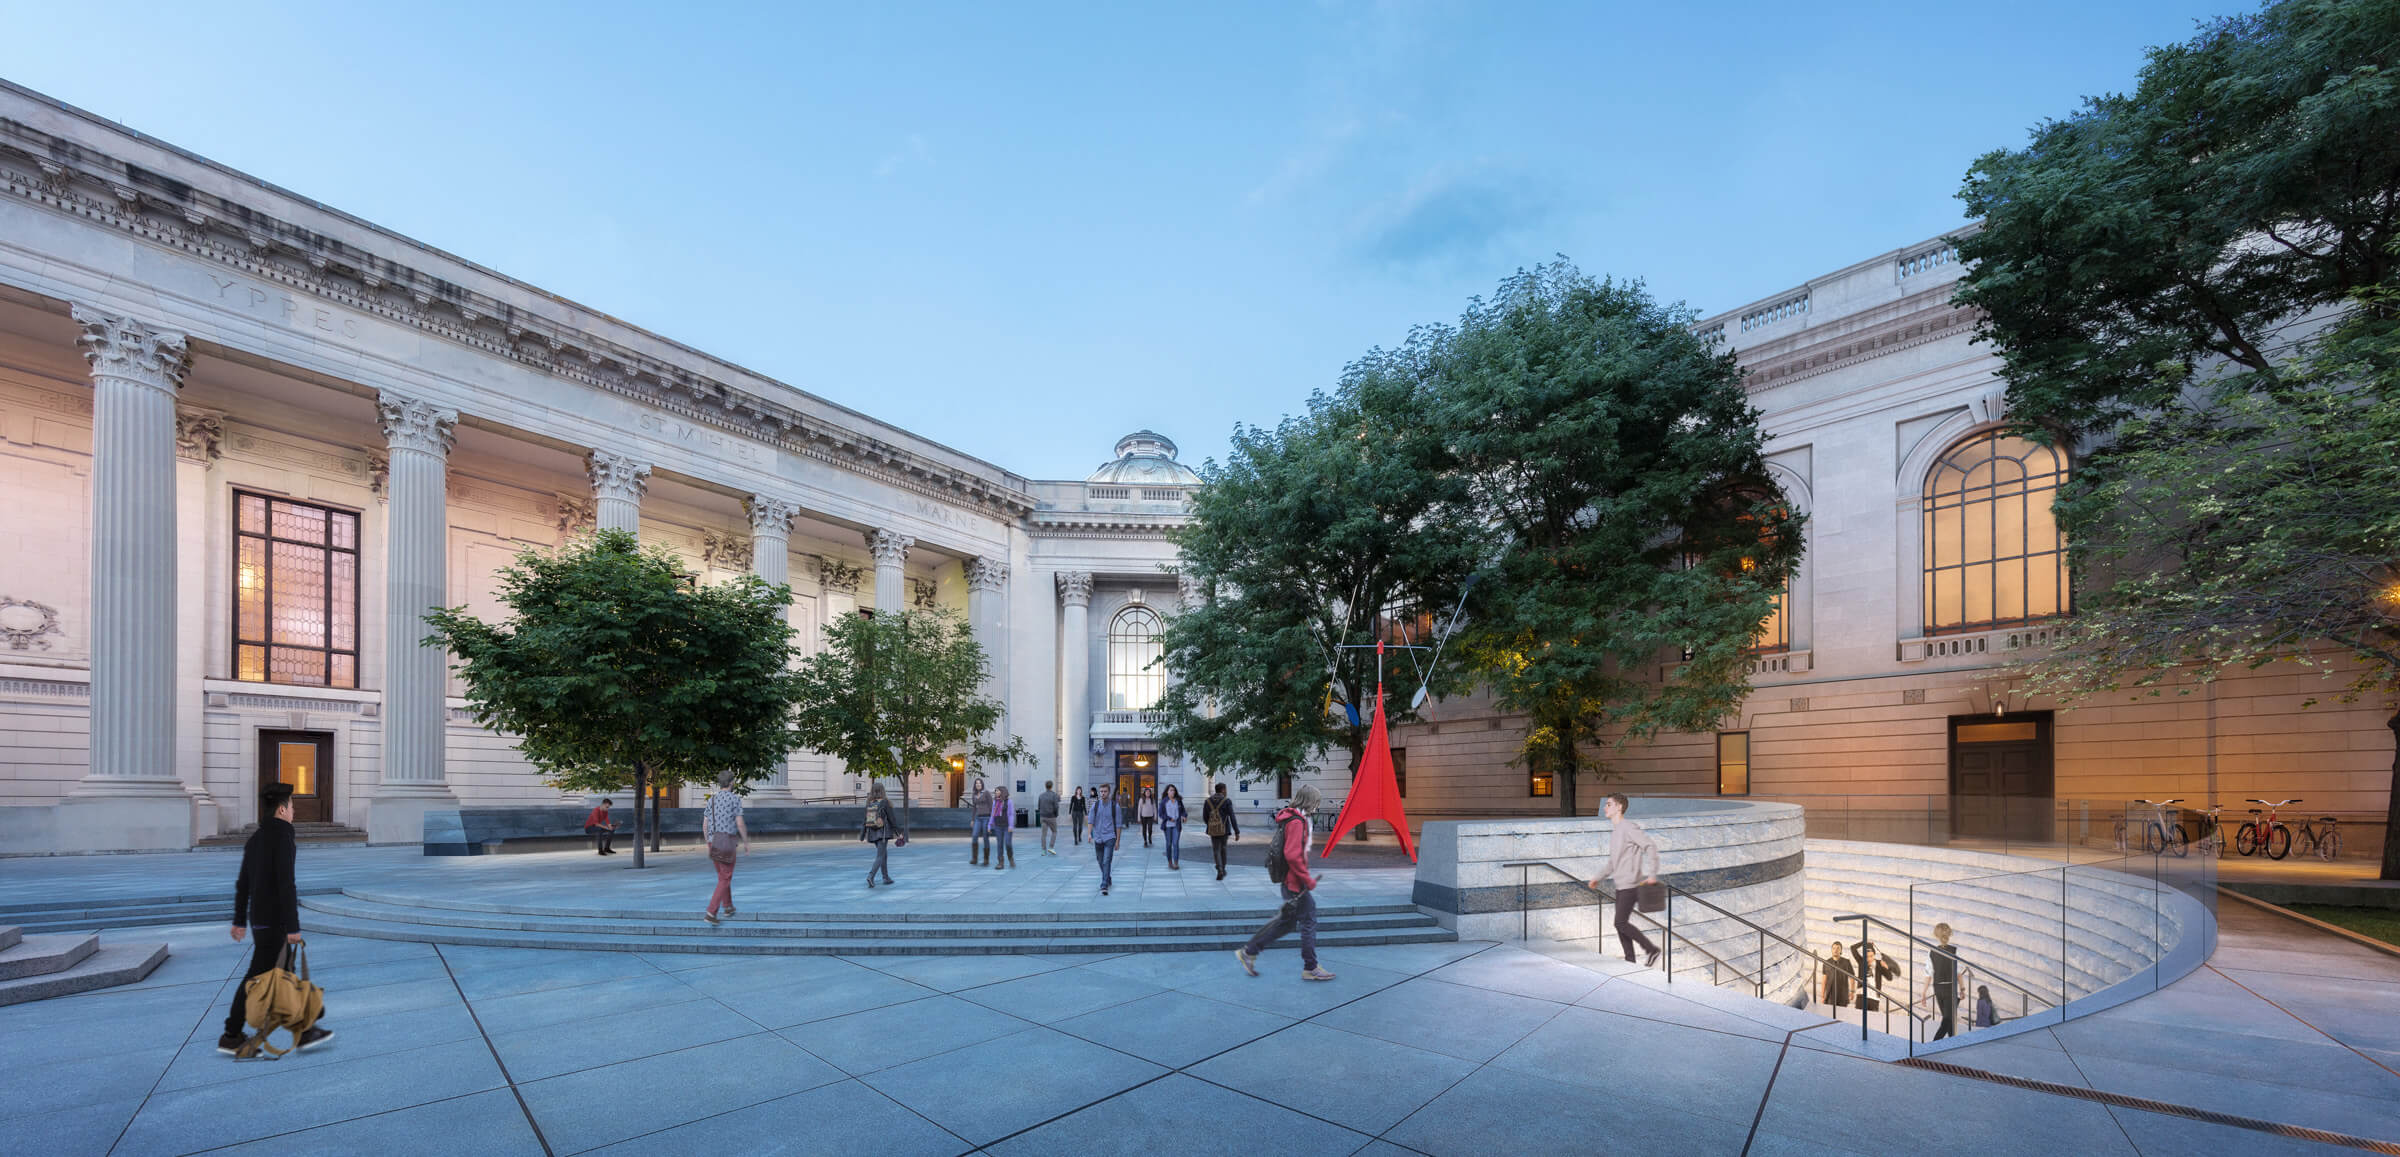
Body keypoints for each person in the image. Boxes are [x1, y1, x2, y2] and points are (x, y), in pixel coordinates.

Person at [221, 783, 332, 1056]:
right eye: (292, 807)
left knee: (285, 974)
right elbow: (286, 885)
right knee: (260, 976)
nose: (294, 812)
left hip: (259, 919)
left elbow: (243, 884)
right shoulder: (282, 838)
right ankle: (231, 1034)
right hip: (275, 923)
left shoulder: (256, 839)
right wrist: (292, 926)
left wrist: (238, 920)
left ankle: (304, 1030)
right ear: (282, 809)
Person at [1234, 784, 1335, 981]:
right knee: (1309, 919)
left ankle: (1249, 951)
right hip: (1295, 882)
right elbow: (1292, 855)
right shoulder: (1297, 822)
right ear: (1309, 801)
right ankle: (1311, 967)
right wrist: (1307, 880)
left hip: (1290, 881)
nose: (1317, 806)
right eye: (1316, 802)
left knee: (1286, 923)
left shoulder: (1291, 818)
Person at [1585, 792, 1661, 967]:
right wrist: (1597, 878)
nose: (1605, 807)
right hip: (1621, 885)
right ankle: (1630, 960)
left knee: (1619, 922)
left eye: (1609, 804)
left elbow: (1650, 846)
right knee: (1621, 924)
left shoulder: (1628, 827)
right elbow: (1613, 863)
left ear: (1619, 807)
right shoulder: (1616, 831)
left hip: (1631, 884)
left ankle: (1651, 949)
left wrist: (1652, 874)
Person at [701, 770, 750, 926]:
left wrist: (708, 842)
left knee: (722, 875)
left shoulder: (712, 800)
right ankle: (711, 912)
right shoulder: (734, 799)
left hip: (713, 840)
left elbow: (704, 824)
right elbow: (740, 823)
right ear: (731, 782)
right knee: (725, 877)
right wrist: (746, 842)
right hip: (727, 841)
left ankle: (727, 906)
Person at [1925, 922, 1962, 1040]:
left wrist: (1924, 992)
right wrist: (1963, 989)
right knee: (1947, 1020)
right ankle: (1934, 1044)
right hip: (1950, 987)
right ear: (1949, 934)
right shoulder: (1954, 951)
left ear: (1936, 935)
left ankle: (1952, 1042)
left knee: (1948, 1019)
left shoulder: (1931, 952)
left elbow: (1928, 973)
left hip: (1938, 988)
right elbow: (1958, 972)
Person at [862, 781, 900, 888]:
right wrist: (899, 833)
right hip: (882, 833)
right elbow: (892, 819)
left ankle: (886, 877)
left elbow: (864, 820)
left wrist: (862, 834)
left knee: (883, 854)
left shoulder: (869, 803)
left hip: (872, 833)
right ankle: (871, 876)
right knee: (880, 856)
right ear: (882, 790)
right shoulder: (884, 802)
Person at [1203, 781, 1242, 880]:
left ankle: (1219, 868)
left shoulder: (1208, 801)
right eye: (1226, 790)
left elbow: (1204, 817)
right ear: (1223, 790)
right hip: (1224, 829)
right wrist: (1237, 831)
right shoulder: (1227, 801)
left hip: (1213, 829)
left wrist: (1211, 825)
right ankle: (1223, 869)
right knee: (1223, 848)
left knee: (1216, 849)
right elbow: (1232, 817)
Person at [1090, 782, 1121, 895]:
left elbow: (1118, 825)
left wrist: (1117, 841)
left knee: (1107, 860)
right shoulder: (1095, 805)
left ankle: (1104, 884)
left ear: (1109, 792)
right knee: (1100, 861)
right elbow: (1090, 821)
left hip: (1110, 837)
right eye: (1101, 791)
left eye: (1105, 791)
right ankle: (1107, 877)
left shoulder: (1115, 806)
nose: (1103, 793)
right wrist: (1089, 834)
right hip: (1098, 837)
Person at [1158, 784, 1188, 870]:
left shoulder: (1178, 801)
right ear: (1167, 791)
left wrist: (1184, 816)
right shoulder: (1164, 801)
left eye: (1174, 790)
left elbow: (1183, 811)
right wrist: (1168, 818)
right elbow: (1161, 814)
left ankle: (1176, 863)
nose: (1172, 792)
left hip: (1176, 825)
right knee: (1168, 844)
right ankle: (1169, 862)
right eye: (1171, 790)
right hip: (1167, 826)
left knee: (1175, 844)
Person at [1822, 941, 1855, 1009]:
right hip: (1830, 994)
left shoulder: (1846, 962)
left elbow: (1852, 978)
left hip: (1842, 994)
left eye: (1838, 948)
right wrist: (1822, 995)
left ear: (1841, 950)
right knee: (1829, 1013)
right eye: (1834, 948)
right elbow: (1824, 980)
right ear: (1831, 950)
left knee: (1841, 1014)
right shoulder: (1826, 962)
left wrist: (1852, 991)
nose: (1835, 950)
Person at [990, 784, 1016, 870]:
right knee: (999, 844)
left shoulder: (1009, 802)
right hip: (998, 826)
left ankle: (1010, 857)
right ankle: (1000, 862)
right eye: (995, 791)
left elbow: (1011, 814)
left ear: (1002, 792)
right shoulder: (995, 802)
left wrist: (1011, 825)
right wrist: (990, 825)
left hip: (1007, 826)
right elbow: (992, 814)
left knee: (1008, 844)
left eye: (997, 790)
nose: (996, 792)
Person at [968, 777, 992, 865]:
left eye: (979, 783)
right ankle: (974, 858)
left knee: (985, 837)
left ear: (982, 784)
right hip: (977, 818)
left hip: (986, 818)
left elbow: (991, 806)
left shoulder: (986, 793)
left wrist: (991, 821)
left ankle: (986, 859)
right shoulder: (974, 794)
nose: (978, 784)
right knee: (974, 836)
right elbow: (974, 808)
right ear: (975, 785)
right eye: (976, 783)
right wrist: (972, 819)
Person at [1036, 781, 1061, 856]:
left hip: (1043, 817)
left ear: (1045, 786)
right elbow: (1056, 806)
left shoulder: (1041, 795)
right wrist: (1056, 815)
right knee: (1054, 832)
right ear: (1052, 786)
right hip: (1051, 817)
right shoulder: (1054, 795)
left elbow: (1039, 806)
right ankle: (1051, 847)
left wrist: (1041, 814)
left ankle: (1043, 850)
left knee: (1043, 834)